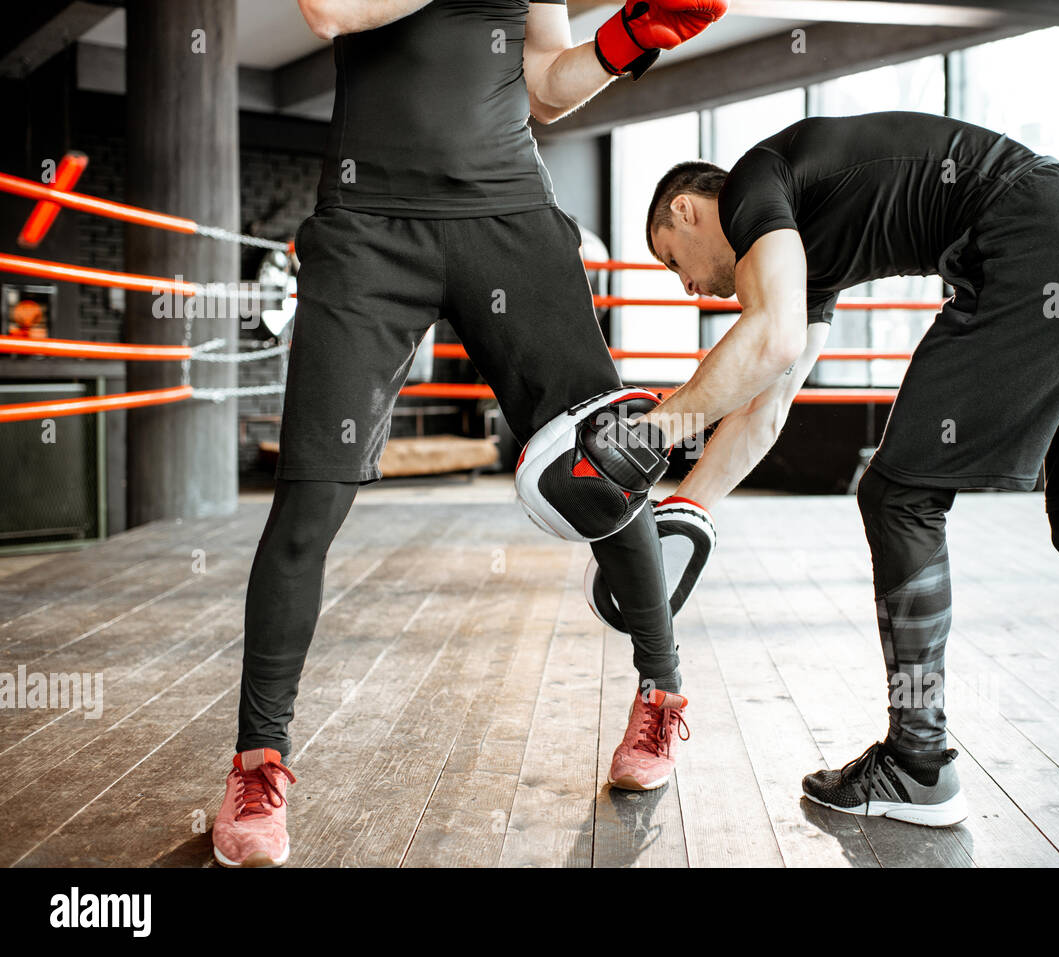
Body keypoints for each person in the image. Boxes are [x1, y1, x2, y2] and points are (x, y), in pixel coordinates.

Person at [617, 110, 1059, 827]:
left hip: (1043, 231)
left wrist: (646, 435)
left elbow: (770, 338)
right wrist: (686, 511)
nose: (688, 288)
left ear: (687, 210)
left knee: (897, 497)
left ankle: (918, 762)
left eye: (673, 261)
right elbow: (769, 400)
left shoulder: (759, 179)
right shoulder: (799, 254)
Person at [213, 0, 727, 868]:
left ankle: (661, 693)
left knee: (608, 464)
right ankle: (257, 763)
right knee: (309, 496)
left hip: (508, 213)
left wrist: (624, 41)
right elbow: (328, 12)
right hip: (368, 226)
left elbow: (544, 86)